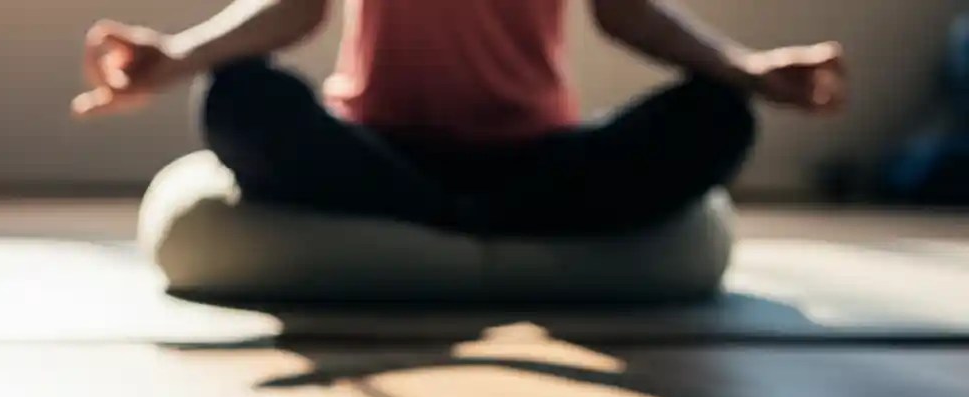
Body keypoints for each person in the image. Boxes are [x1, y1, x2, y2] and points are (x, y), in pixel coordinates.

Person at [72, 0, 847, 235]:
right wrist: (175, 57)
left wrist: (744, 71)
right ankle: (477, 220)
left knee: (719, 115)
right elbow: (297, 8)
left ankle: (455, 218)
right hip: (378, 152)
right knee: (237, 99)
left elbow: (626, 14)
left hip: (536, 156)